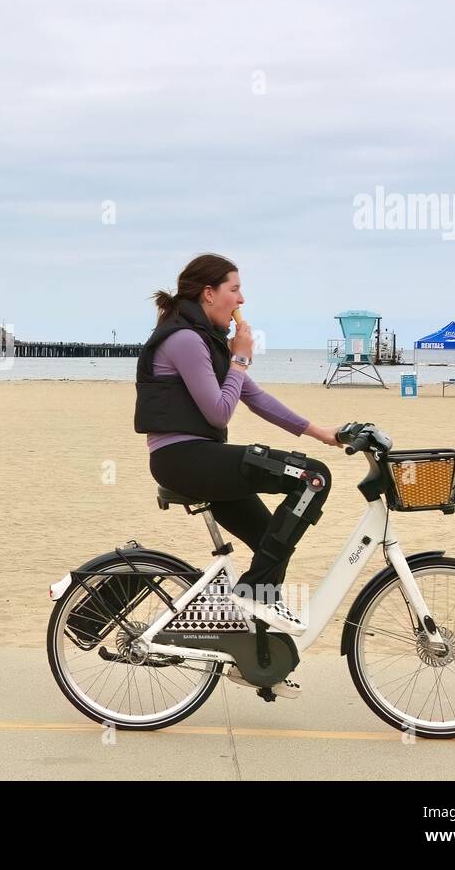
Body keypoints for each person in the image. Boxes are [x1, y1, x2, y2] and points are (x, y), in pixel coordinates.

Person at [134, 252, 343, 635]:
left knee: (272, 545)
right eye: (235, 289)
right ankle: (253, 597)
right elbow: (218, 412)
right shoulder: (184, 340)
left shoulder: (207, 341)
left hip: (199, 459)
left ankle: (257, 657)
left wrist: (320, 432)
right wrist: (241, 359)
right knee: (312, 478)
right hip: (183, 459)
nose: (242, 300)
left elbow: (255, 397)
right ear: (209, 293)